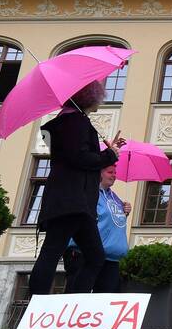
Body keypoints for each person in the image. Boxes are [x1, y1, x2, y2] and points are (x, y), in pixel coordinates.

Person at [28, 80, 125, 295]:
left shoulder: (67, 123)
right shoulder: (76, 122)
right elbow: (80, 158)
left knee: (94, 256)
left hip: (73, 202)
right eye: (100, 95)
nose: (102, 99)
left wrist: (107, 151)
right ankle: (38, 303)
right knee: (53, 252)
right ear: (89, 97)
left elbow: (75, 156)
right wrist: (109, 155)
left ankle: (72, 301)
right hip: (73, 202)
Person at [63, 163, 133, 293]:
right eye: (110, 172)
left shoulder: (114, 197)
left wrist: (125, 212)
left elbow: (112, 221)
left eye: (115, 173)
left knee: (107, 302)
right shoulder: (88, 193)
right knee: (77, 297)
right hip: (84, 254)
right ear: (99, 173)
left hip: (111, 257)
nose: (114, 175)